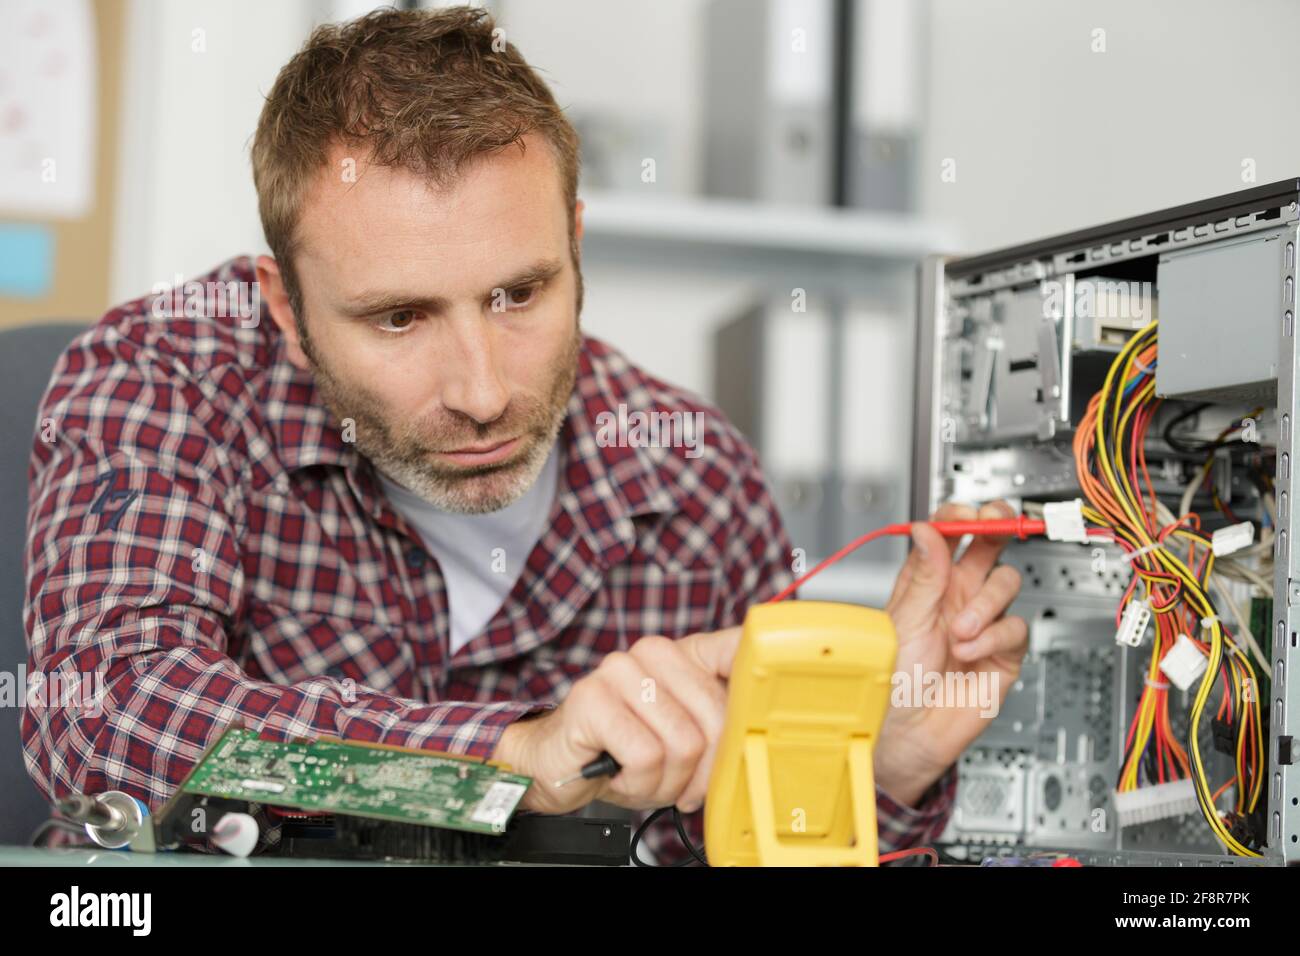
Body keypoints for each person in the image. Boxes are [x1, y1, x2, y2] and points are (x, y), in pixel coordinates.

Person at [22, 6, 1026, 862]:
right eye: (399, 317)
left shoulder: (695, 481)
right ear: (284, 307)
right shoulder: (161, 376)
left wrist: (877, 767)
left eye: (518, 293)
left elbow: (719, 840)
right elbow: (109, 713)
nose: (483, 390)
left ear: (574, 245)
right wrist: (504, 758)